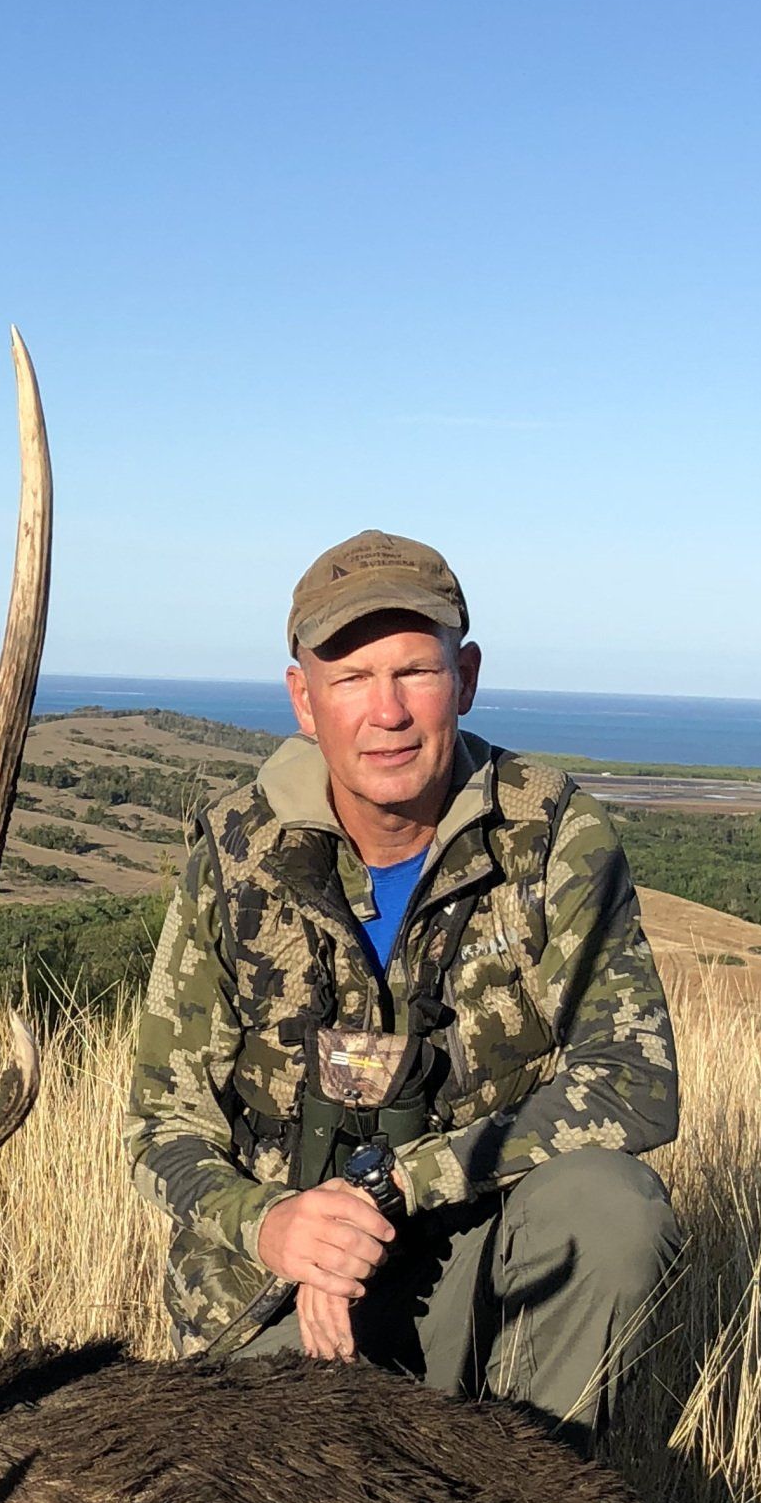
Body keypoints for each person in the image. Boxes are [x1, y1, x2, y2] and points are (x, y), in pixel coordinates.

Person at [125, 528, 679, 1450]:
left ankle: (540, 1494)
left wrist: (397, 1186)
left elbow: (634, 1079)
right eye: (350, 679)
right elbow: (159, 1125)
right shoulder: (232, 854)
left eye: (414, 673)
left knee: (612, 1208)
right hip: (287, 1283)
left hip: (477, 1260)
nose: (387, 712)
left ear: (463, 678)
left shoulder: (549, 835)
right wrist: (271, 1228)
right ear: (304, 700)